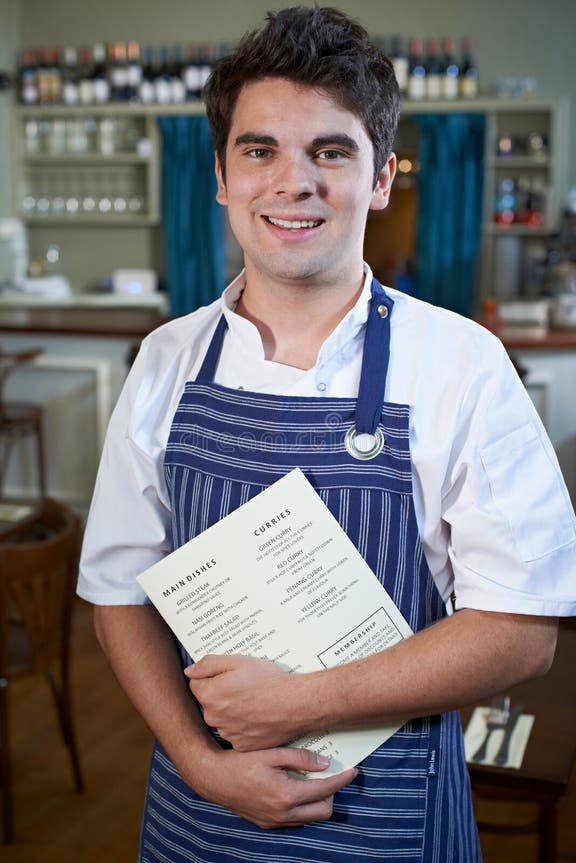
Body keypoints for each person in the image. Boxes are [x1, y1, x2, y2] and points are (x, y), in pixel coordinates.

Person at [78, 6, 576, 862]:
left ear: (381, 176)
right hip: (200, 817)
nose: (292, 182)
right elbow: (118, 594)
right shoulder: (165, 361)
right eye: (260, 149)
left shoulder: (462, 364)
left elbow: (520, 629)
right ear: (223, 176)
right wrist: (202, 763)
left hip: (394, 824)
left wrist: (302, 700)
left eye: (331, 151)